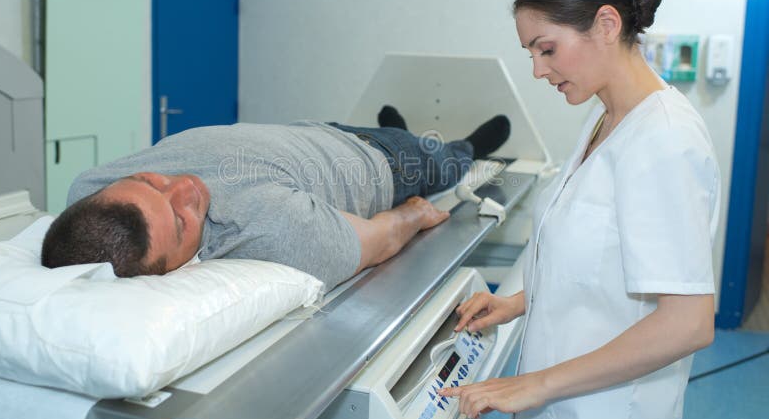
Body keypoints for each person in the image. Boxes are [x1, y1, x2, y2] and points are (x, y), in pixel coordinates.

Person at [438, 0, 720, 419]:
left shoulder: (664, 139)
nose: (538, 70)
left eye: (547, 49)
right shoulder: (604, 117)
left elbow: (687, 324)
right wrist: (516, 303)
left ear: (607, 25)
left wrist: (534, 385)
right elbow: (600, 264)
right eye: (531, 54)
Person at [41, 107, 511, 291]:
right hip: (384, 162)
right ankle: (468, 146)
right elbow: (382, 238)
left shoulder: (90, 188)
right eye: (181, 221)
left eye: (150, 181)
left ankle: (408, 131)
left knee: (421, 148)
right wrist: (413, 213)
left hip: (316, 130)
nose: (185, 186)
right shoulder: (272, 227)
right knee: (444, 163)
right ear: (170, 271)